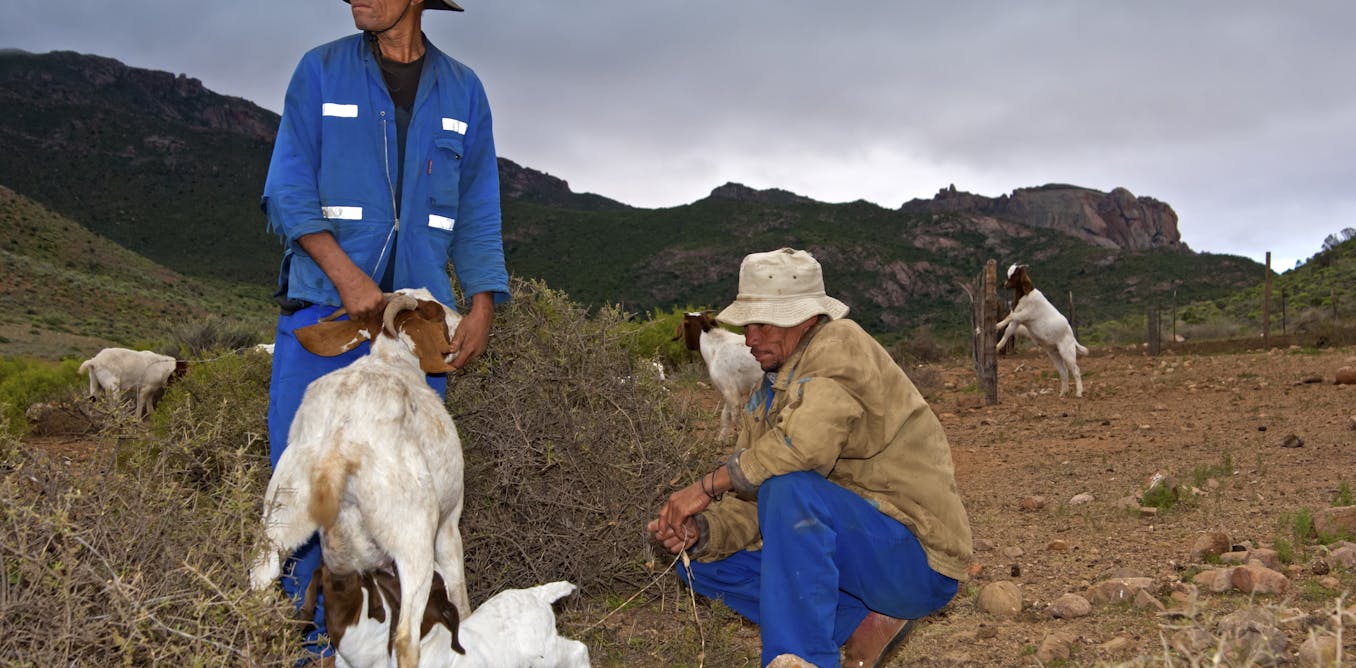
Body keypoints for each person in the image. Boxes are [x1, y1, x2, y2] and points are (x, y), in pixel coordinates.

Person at [260, 0, 509, 659]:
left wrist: (482, 299)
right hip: (325, 316)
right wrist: (347, 278)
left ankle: (390, 647)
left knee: (410, 509)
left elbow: (479, 204)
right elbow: (287, 187)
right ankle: (304, 647)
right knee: (309, 502)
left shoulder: (464, 91)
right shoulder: (320, 73)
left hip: (412, 338)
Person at [648, 248, 973, 668]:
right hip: (857, 560)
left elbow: (802, 447)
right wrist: (703, 531)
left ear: (803, 318)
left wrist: (705, 487)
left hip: (914, 558)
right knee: (700, 564)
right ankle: (861, 623)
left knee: (790, 487)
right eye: (748, 324)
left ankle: (804, 658)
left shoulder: (841, 344)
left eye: (764, 324)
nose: (750, 338)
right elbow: (752, 501)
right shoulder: (767, 389)